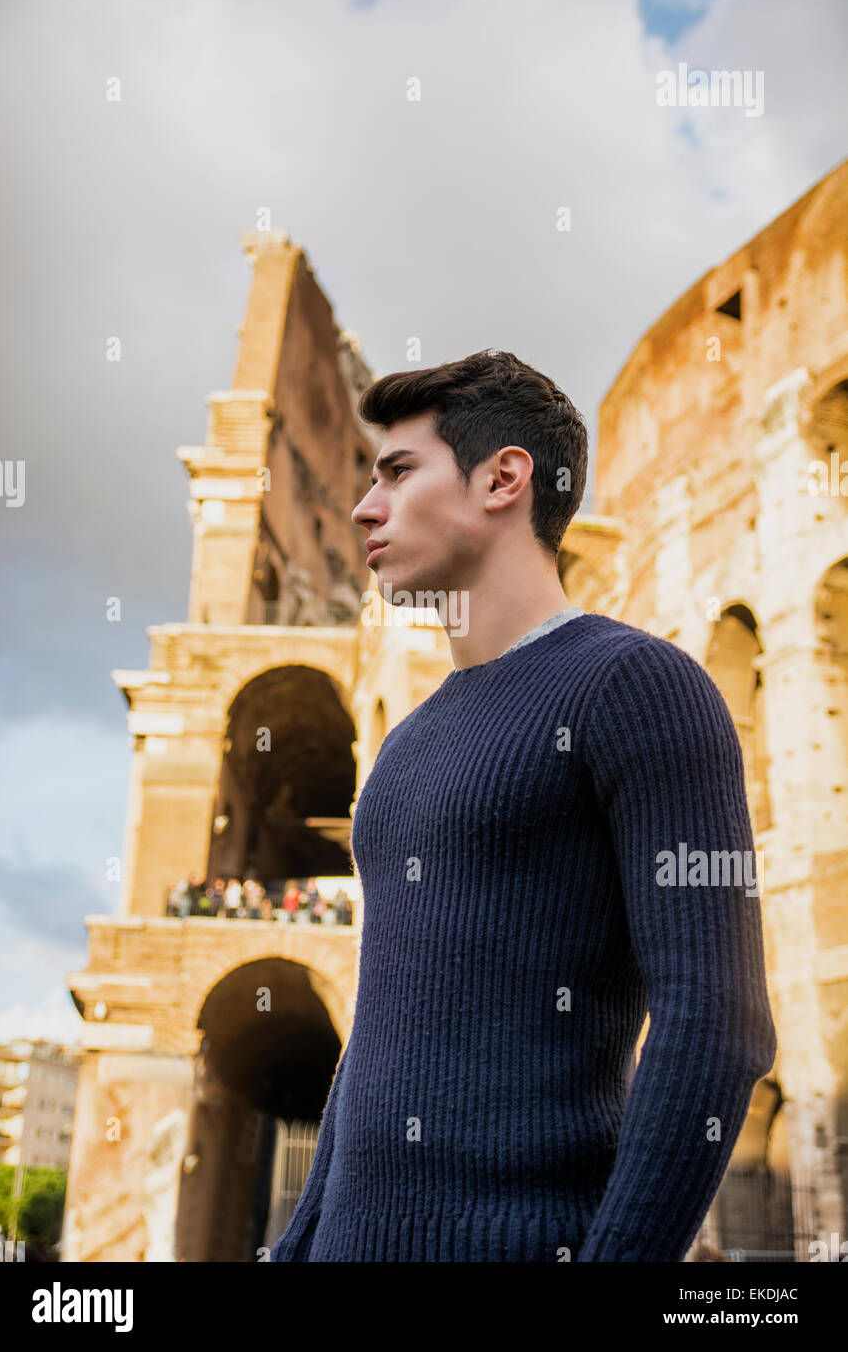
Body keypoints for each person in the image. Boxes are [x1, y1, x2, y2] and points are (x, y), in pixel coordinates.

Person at [267, 349, 777, 1265]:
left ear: (504, 477)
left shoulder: (640, 686)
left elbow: (714, 1020)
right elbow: (382, 1031)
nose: (364, 508)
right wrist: (298, 1242)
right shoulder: (403, 746)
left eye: (398, 471)